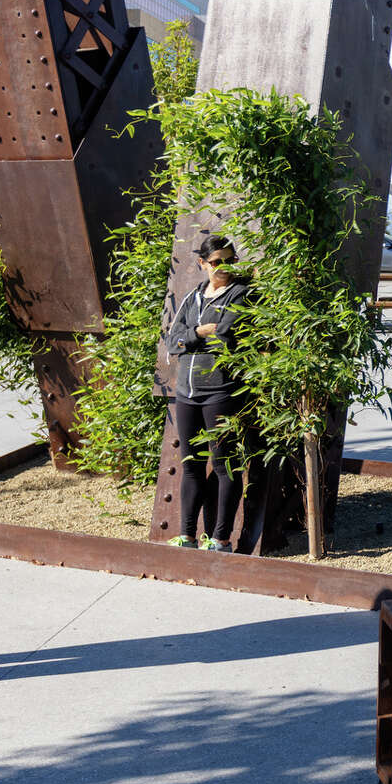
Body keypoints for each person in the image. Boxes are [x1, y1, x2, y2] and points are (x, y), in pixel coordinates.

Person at [163, 235, 255, 551]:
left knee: (224, 464)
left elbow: (226, 336)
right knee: (191, 465)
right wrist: (199, 332)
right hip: (186, 393)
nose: (223, 267)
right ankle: (187, 536)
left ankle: (220, 539)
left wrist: (190, 338)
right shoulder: (192, 298)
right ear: (202, 263)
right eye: (216, 262)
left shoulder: (240, 295)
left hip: (220, 392)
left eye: (230, 260)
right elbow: (172, 341)